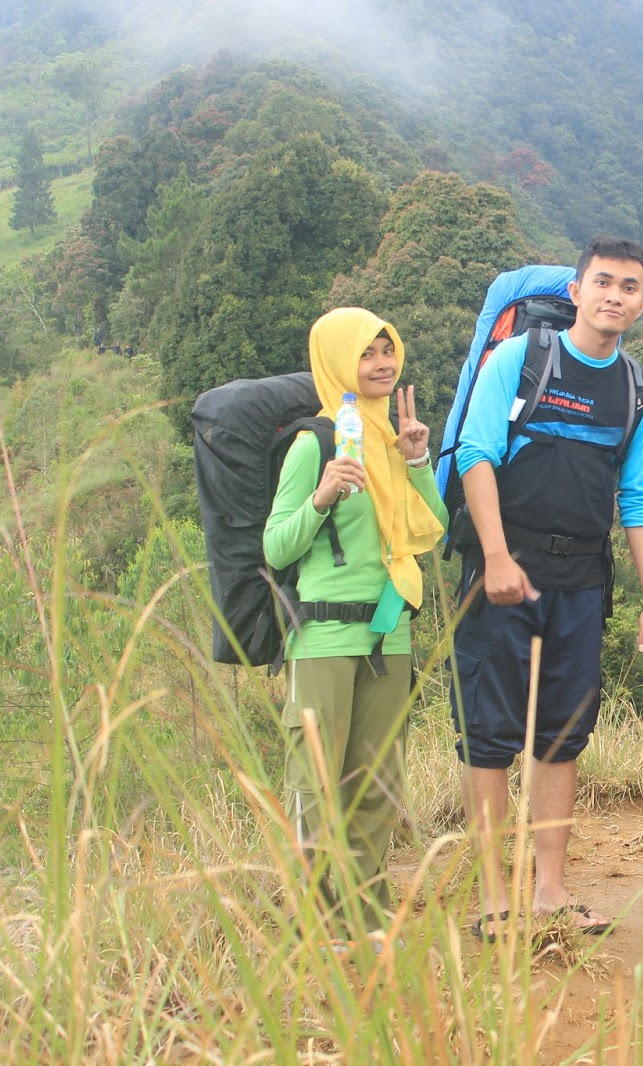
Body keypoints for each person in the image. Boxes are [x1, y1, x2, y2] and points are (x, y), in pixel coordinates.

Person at [448, 237, 643, 938]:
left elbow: (636, 500)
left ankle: (551, 892)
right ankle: (491, 899)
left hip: (580, 580)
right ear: (576, 291)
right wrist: (496, 556)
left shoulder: (639, 390)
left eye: (628, 287)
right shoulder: (520, 360)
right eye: (602, 282)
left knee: (561, 739)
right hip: (501, 573)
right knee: (488, 735)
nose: (614, 295)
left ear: (641, 303)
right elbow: (478, 454)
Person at [263, 307, 447, 947]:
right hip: (321, 640)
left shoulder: (396, 438)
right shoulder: (314, 444)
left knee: (375, 782)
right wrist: (320, 498)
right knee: (317, 783)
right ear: (339, 361)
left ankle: (365, 915)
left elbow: (434, 527)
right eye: (366, 354)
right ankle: (318, 921)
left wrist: (418, 461)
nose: (381, 364)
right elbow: (277, 547)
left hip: (387, 633)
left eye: (387, 351)